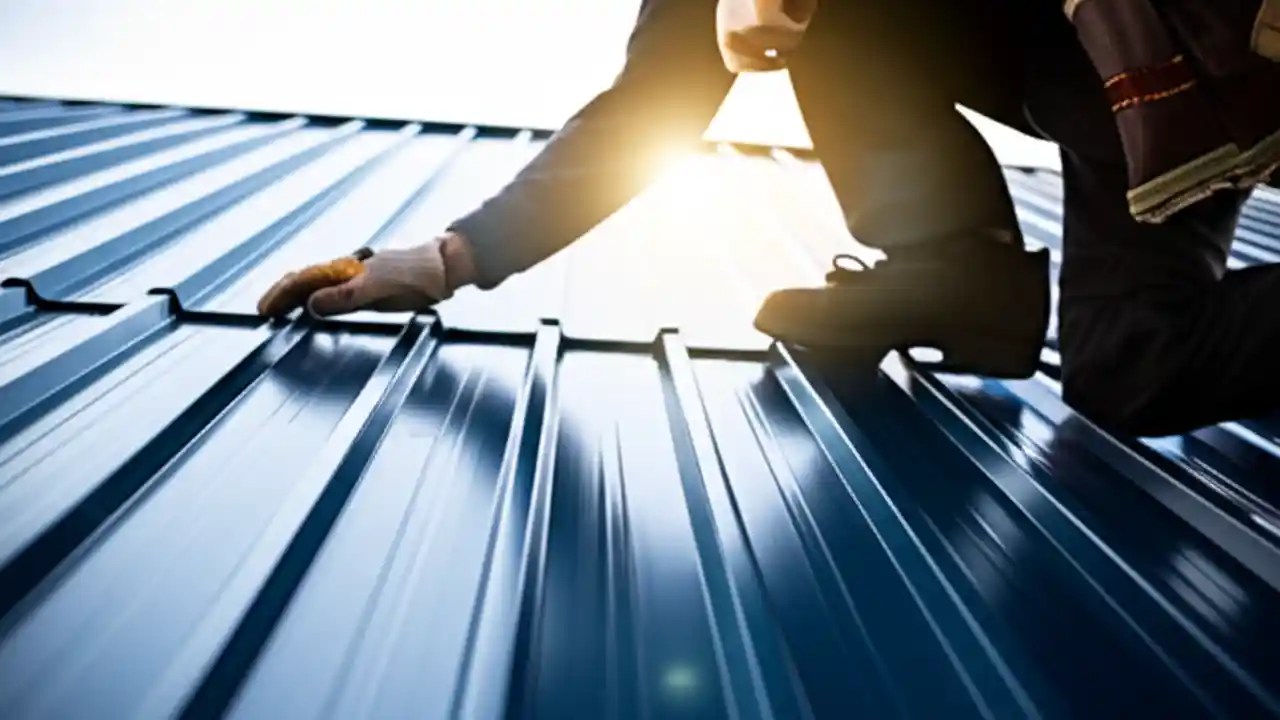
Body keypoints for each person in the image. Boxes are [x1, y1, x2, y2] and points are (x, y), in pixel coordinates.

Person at [258, 0, 1280, 437]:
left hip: (1207, 34)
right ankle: (958, 271)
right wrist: (446, 260)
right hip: (1145, 126)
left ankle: (954, 258)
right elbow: (649, 111)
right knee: (1131, 365)